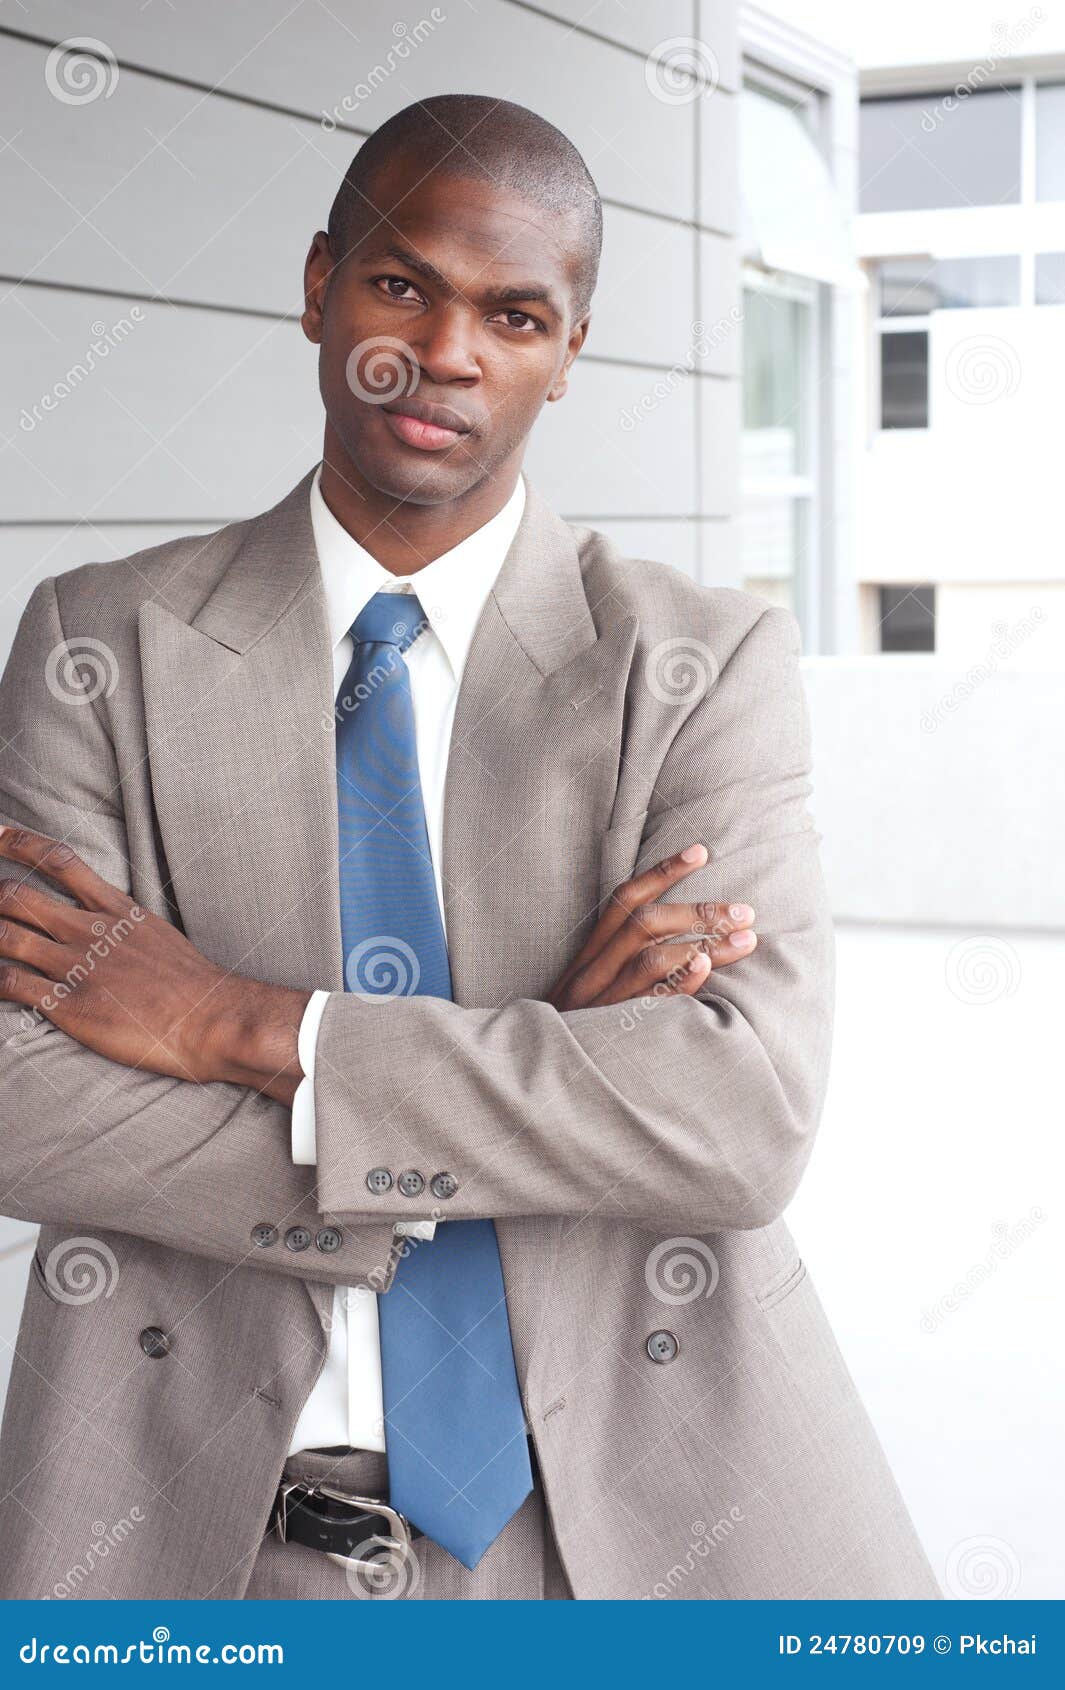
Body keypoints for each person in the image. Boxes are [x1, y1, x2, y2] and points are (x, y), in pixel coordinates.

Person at [0, 94, 938, 1601]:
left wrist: (245, 1026)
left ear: (567, 354)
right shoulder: (98, 643)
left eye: (513, 313)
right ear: (319, 286)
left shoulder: (691, 665)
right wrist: (561, 1070)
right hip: (210, 1536)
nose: (445, 351)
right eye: (400, 284)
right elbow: (26, 1100)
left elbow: (739, 1117)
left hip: (626, 1522)